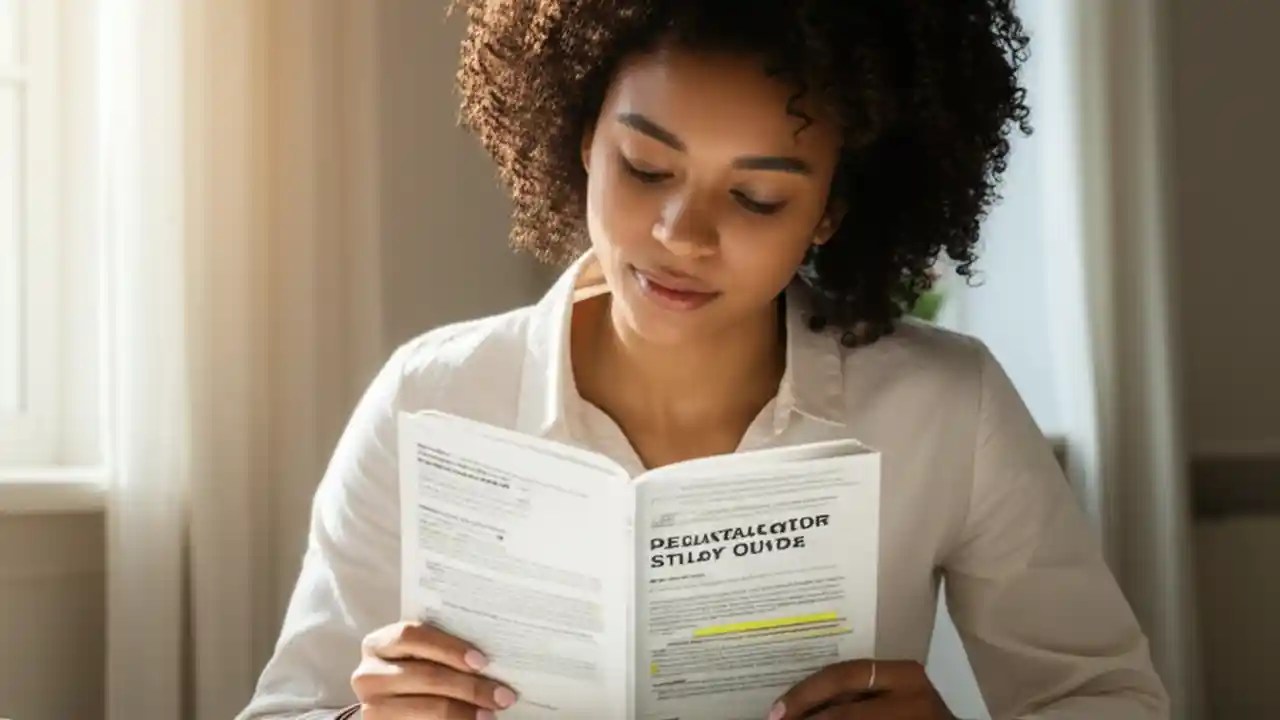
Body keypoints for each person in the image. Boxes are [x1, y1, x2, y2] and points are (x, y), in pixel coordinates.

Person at [238, 1, 1170, 718]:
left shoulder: (946, 409)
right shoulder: (433, 395)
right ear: (582, 141)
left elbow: (1108, 699)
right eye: (645, 168)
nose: (682, 235)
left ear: (830, 213)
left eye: (758, 197)